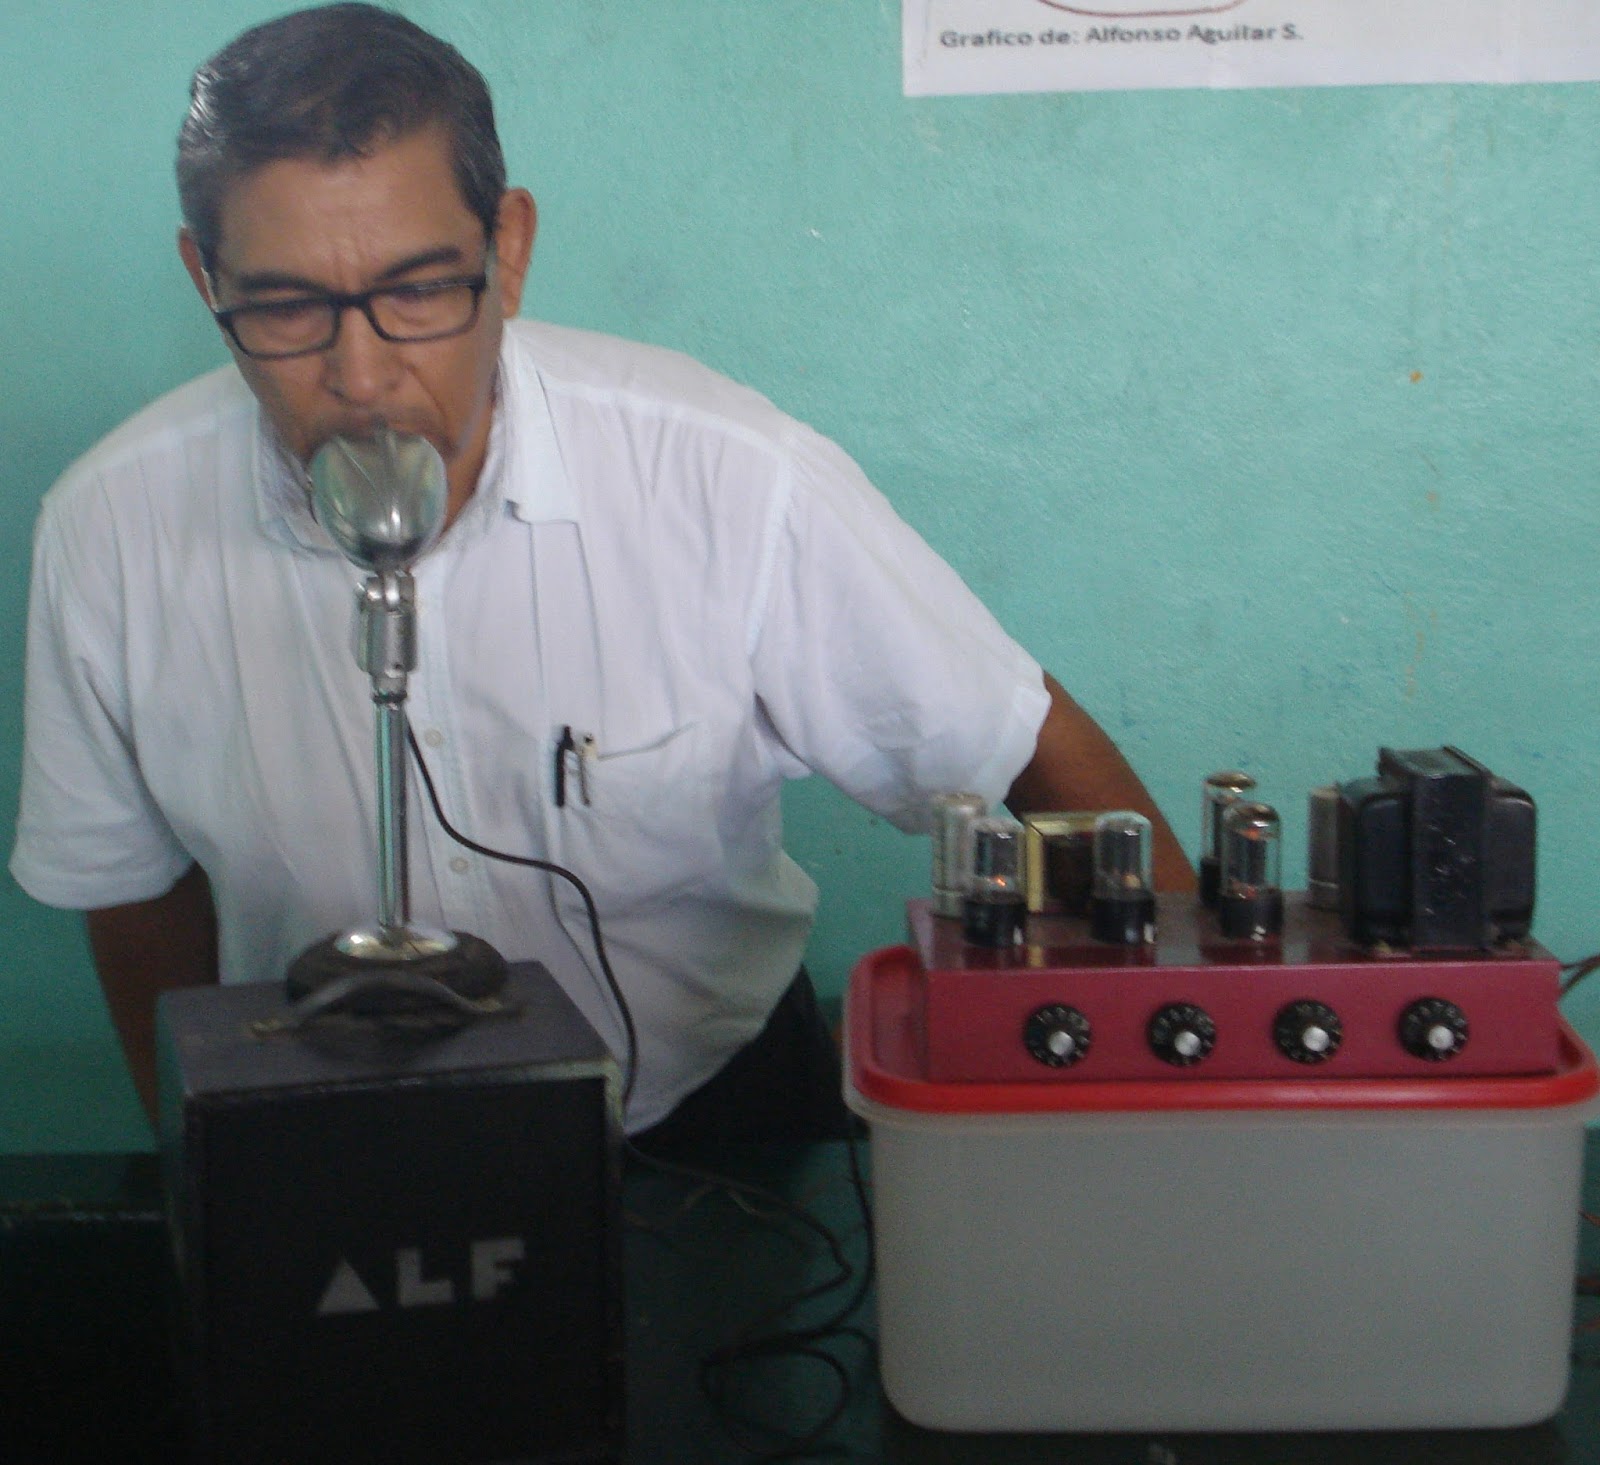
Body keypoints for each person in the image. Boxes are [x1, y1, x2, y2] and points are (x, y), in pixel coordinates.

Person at [10, 3, 1190, 1142]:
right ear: (202, 278)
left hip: (701, 1114)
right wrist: (195, 1159)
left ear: (508, 252)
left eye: (418, 290)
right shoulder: (112, 528)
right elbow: (130, 885)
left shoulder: (724, 475)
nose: (360, 375)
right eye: (283, 306)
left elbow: (1021, 750)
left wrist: (1180, 1072)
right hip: (329, 1134)